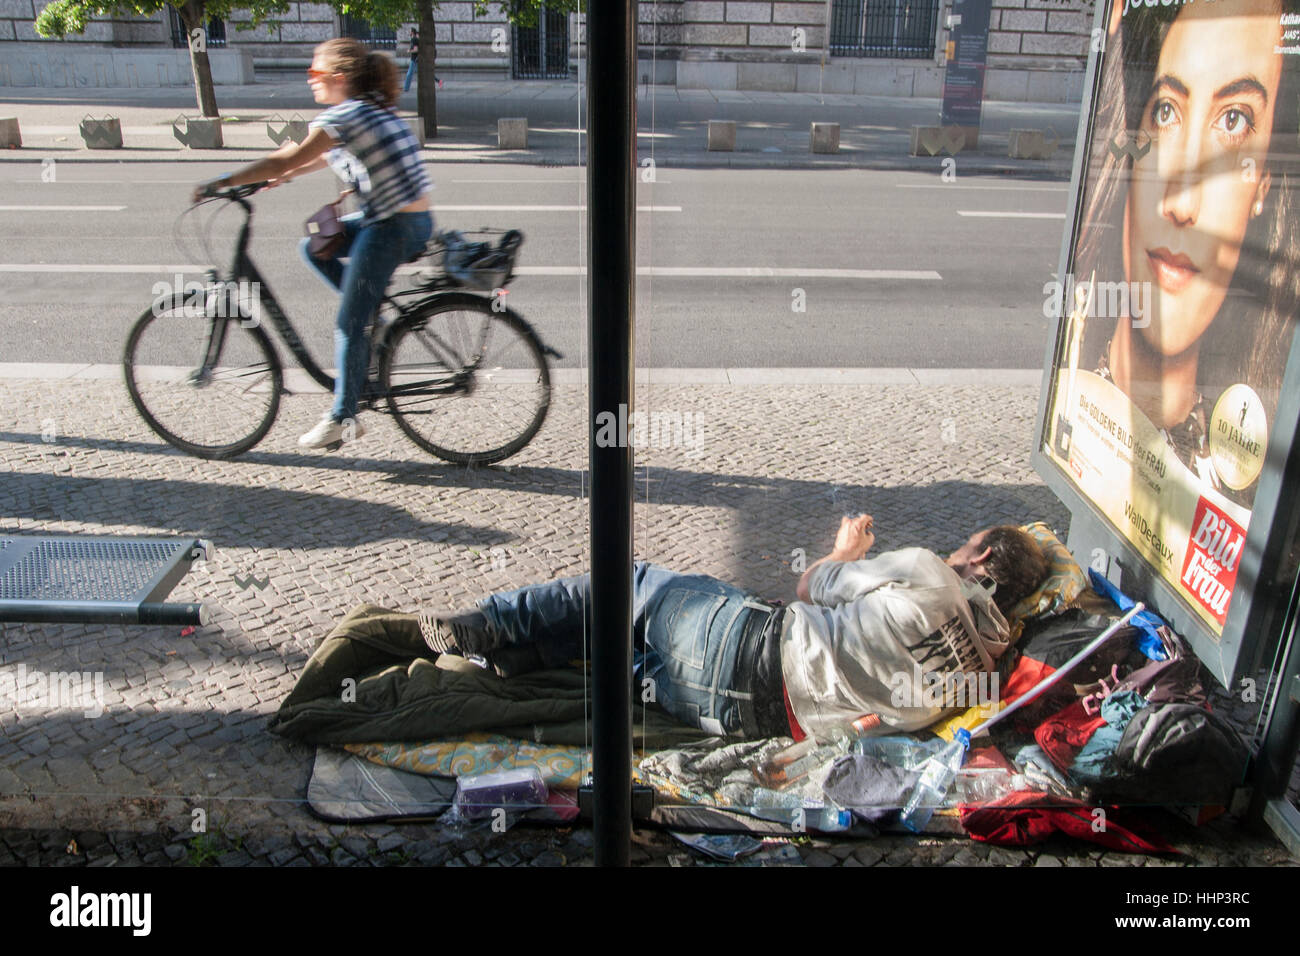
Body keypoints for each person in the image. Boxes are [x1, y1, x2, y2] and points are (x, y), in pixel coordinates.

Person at [419, 515, 1049, 741]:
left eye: (968, 546)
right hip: (737, 717)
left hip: (743, 645)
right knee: (642, 645)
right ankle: (525, 657)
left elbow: (811, 587)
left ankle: (491, 622)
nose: (957, 551)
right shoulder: (979, 680)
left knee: (634, 584)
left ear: (983, 561)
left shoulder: (931, 575)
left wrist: (845, 550)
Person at [1070, 0, 1300, 500]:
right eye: (1166, 110)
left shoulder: (1245, 472)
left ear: (1263, 184)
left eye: (1234, 120)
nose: (1180, 202)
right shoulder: (1074, 403)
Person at [192, 38, 433, 450]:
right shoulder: (366, 111)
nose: (309, 79)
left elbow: (290, 158)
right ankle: (370, 309)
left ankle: (343, 416)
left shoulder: (348, 114)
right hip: (403, 218)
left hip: (394, 225)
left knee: (349, 323)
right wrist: (280, 176)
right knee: (313, 246)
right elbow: (315, 159)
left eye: (315, 73)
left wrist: (220, 182)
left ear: (339, 78)